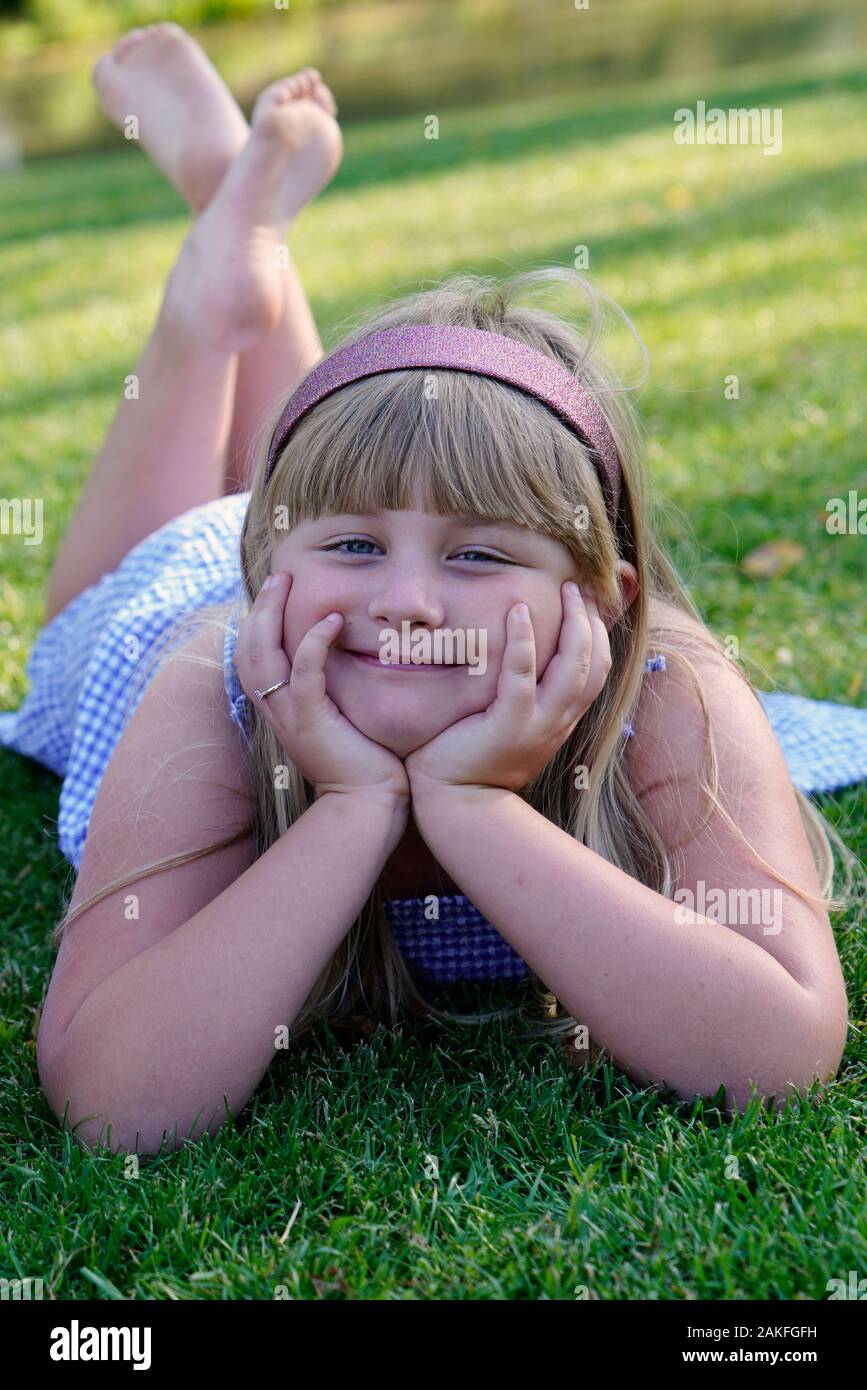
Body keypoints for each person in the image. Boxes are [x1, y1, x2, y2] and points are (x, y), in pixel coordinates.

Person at [0, 24, 858, 1158]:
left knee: (353, 489)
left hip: (291, 562)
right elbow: (117, 1099)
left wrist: (473, 806)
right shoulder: (205, 696)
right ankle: (213, 291)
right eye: (359, 548)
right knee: (102, 586)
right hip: (184, 579)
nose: (408, 602)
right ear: (268, 575)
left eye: (481, 554)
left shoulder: (672, 693)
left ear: (602, 594)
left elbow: (777, 1053)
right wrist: (351, 807)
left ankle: (236, 234)